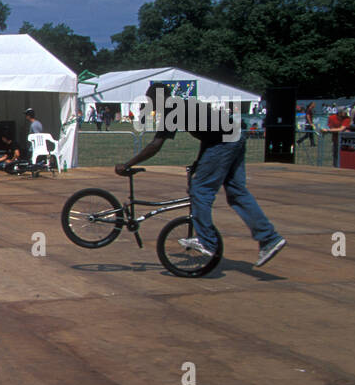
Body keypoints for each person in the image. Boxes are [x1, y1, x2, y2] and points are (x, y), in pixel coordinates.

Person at [116, 82, 284, 267]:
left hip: (224, 142)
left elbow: (155, 146)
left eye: (152, 101)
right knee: (237, 193)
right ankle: (269, 238)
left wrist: (127, 164)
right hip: (233, 137)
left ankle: (207, 242)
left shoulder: (173, 110)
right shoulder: (185, 105)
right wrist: (199, 162)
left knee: (200, 190)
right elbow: (209, 136)